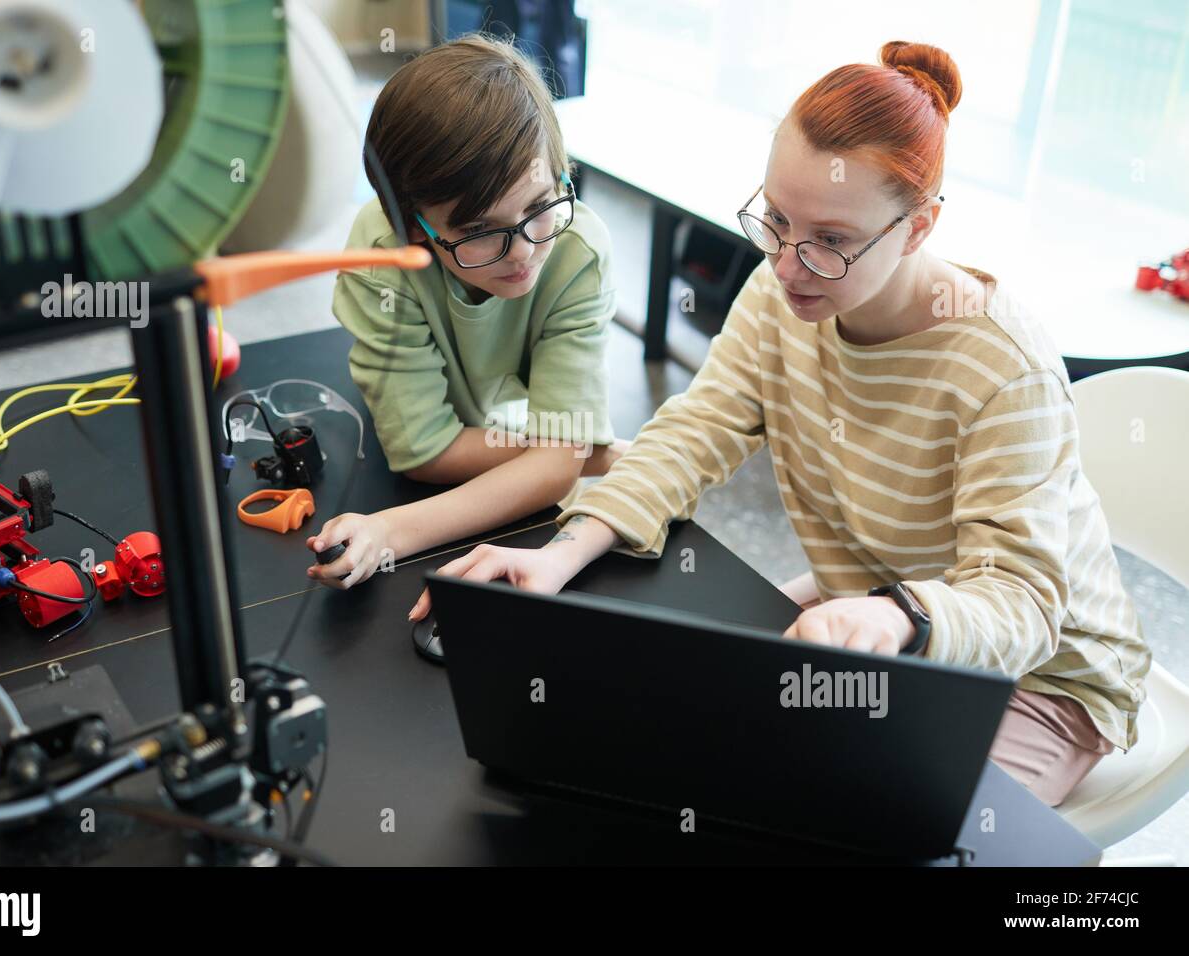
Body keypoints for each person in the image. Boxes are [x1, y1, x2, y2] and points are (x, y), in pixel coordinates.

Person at [410, 41, 1151, 807]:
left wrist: (899, 616)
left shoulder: (1004, 370)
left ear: (921, 227)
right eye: (776, 219)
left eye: (831, 240)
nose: (789, 264)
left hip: (1040, 679)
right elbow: (696, 431)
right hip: (869, 607)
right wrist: (563, 553)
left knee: (846, 809)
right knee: (679, 736)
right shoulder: (785, 292)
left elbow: (1024, 603)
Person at [311, 34, 627, 589]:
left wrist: (563, 456)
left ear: (564, 172)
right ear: (414, 226)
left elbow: (553, 469)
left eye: (539, 205)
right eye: (480, 231)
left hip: (487, 432)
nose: (525, 250)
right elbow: (424, 451)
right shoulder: (383, 257)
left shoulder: (579, 250)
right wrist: (572, 453)